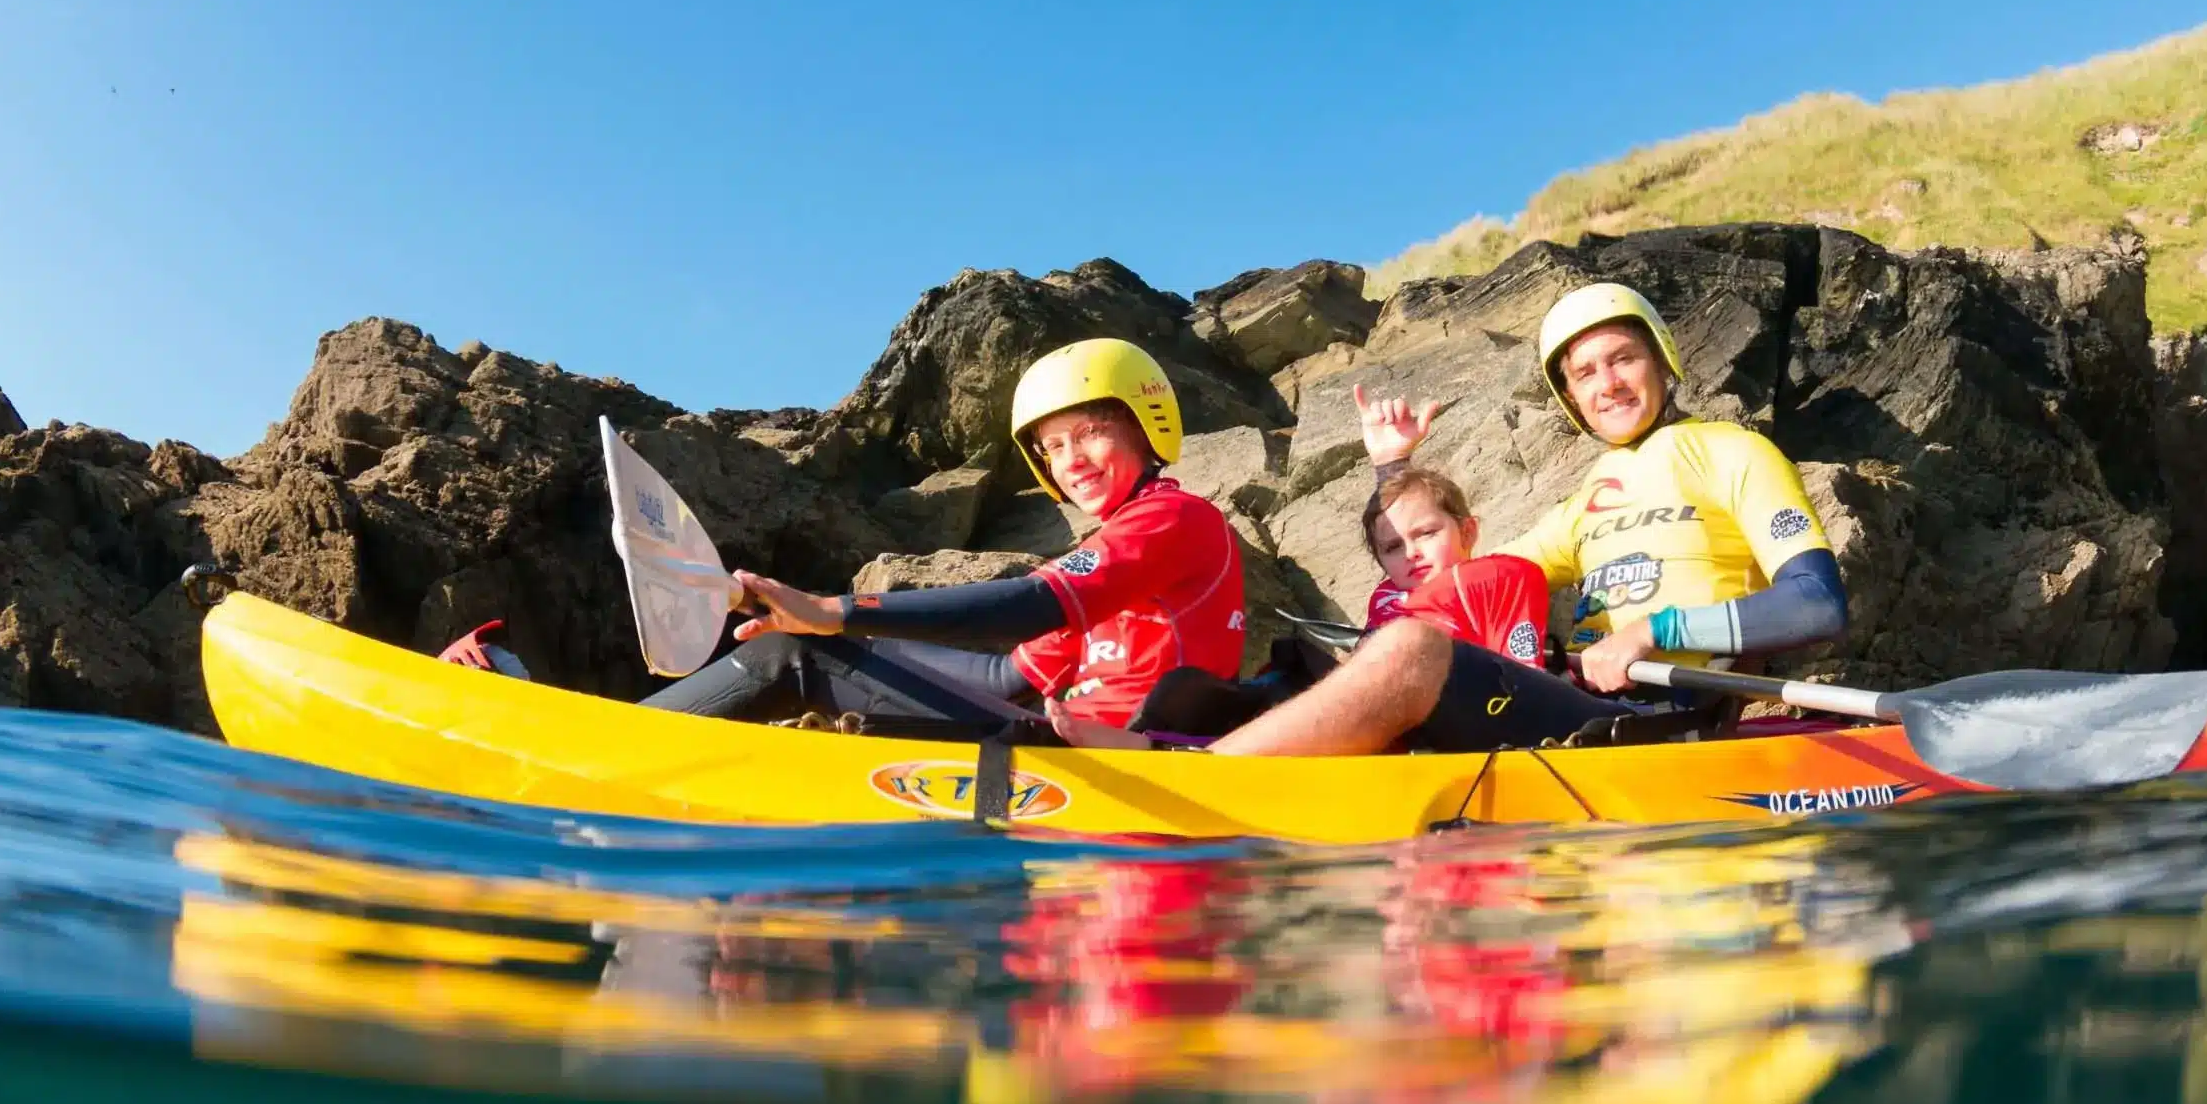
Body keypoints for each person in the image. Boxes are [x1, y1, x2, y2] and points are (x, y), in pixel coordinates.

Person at [1062, 282, 1845, 757]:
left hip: (1661, 717)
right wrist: (1393, 471)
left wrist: (1652, 630)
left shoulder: (1731, 451)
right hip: (1578, 704)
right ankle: (1162, 744)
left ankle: (1206, 781)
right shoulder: (1588, 501)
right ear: (1569, 398)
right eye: (1583, 373)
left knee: (1409, 651)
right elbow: (1456, 581)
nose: (1605, 383)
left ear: (1662, 360)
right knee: (1318, 653)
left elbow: (1815, 603)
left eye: (1622, 359)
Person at [636, 337, 1246, 731]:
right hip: (1066, 749)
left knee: (791, 657)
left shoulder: (1175, 518)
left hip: (1117, 765)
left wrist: (834, 613)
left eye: (1090, 432)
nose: (1072, 460)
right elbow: (1004, 678)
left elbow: (1024, 609)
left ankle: (620, 748)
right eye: (1054, 447)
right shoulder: (1116, 552)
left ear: (1147, 425)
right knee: (814, 647)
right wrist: (809, 617)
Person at [1354, 386, 1550, 670]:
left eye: (1427, 534)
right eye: (1393, 548)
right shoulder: (1386, 597)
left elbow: (1523, 682)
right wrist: (1389, 462)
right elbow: (1397, 517)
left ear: (1467, 532)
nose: (1411, 553)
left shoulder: (1494, 580)